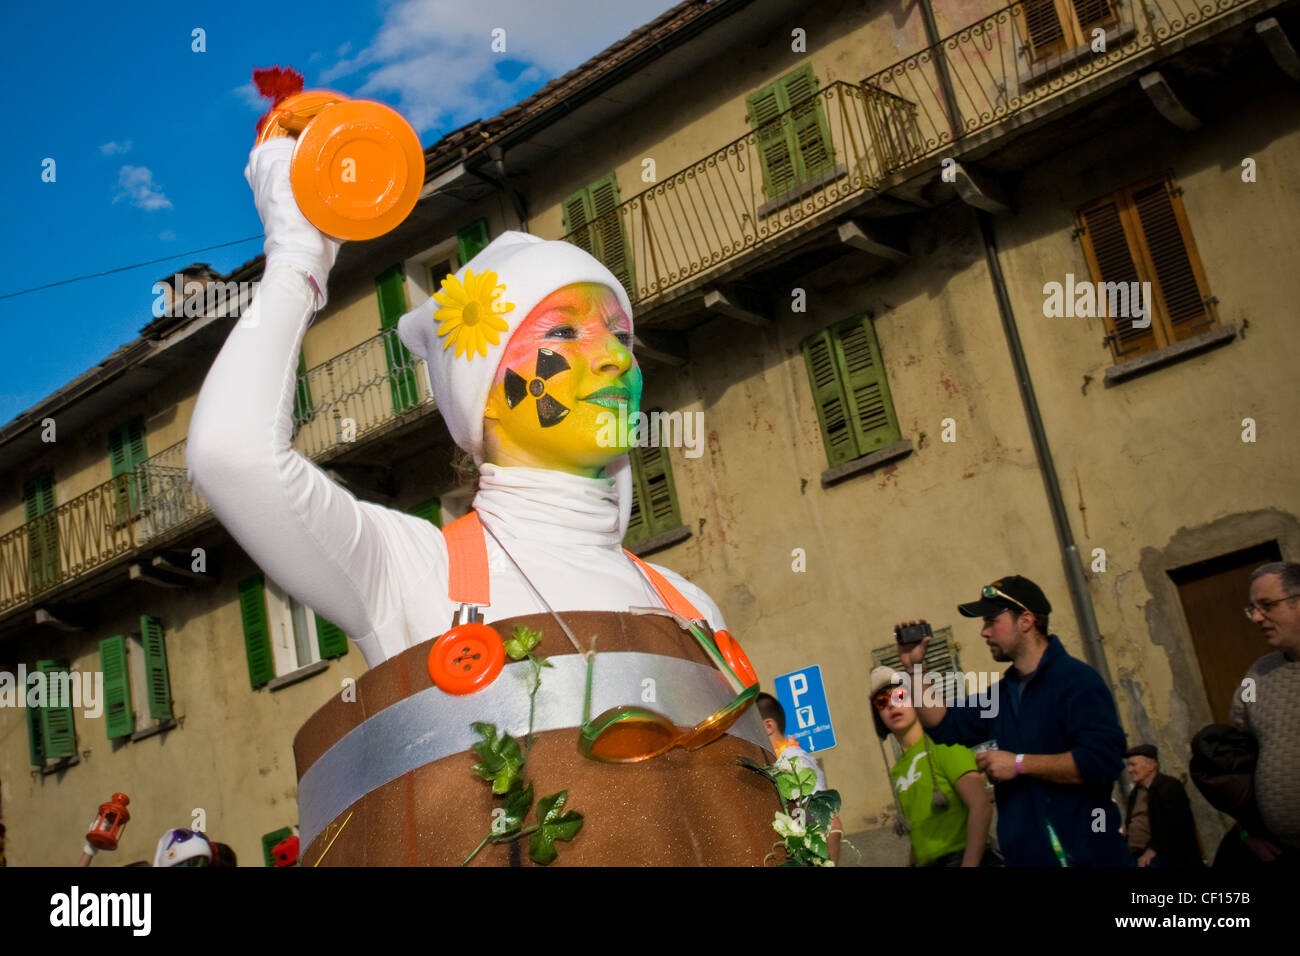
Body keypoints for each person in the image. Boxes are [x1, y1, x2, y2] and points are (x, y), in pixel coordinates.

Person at [186, 137, 775, 865]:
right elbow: (229, 453)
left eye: (620, 334)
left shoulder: (690, 606)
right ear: (483, 394)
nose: (616, 355)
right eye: (564, 331)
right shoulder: (412, 572)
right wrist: (297, 258)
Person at [897, 575, 1132, 866]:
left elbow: (1101, 761)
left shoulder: (1077, 682)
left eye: (991, 620)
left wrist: (1019, 764)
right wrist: (915, 668)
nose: (984, 632)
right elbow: (942, 723)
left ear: (1026, 620)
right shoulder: (1002, 696)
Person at [869, 667, 995, 867]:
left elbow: (981, 806)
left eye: (899, 695)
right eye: (882, 702)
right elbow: (920, 835)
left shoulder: (945, 743)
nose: (892, 705)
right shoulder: (899, 770)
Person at [1230, 561, 1300, 864]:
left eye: (1268, 605)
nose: (1257, 618)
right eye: (1253, 609)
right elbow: (1234, 762)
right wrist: (1248, 830)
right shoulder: (1256, 676)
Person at [756, 692, 842, 863]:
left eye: (749, 729)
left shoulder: (792, 762)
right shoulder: (782, 761)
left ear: (768, 726)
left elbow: (831, 826)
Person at [1123, 744, 1203, 867]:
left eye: (1133, 764)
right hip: (1136, 853)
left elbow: (1177, 824)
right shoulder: (1136, 793)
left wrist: (1152, 850)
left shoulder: (1170, 787)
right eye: (1128, 765)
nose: (1129, 770)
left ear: (1151, 765)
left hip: (1163, 854)